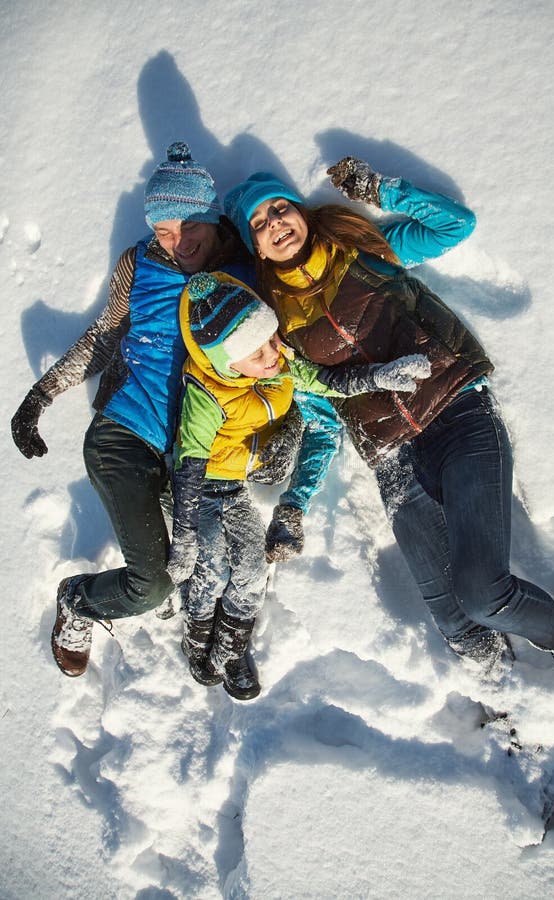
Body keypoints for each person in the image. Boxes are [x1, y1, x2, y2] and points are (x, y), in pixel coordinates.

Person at [223, 157, 554, 688]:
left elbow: (454, 225)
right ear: (256, 247)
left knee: (483, 592)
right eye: (259, 224)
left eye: (280, 208)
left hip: (456, 412)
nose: (274, 223)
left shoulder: (367, 253)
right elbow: (323, 419)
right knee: (454, 620)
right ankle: (504, 692)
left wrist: (381, 188)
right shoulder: (279, 322)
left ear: (302, 212)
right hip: (391, 455)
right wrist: (294, 502)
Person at [10, 142, 342, 679]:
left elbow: (277, 355)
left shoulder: (247, 271)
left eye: (188, 226)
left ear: (212, 217)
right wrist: (41, 395)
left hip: (196, 451)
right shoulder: (139, 263)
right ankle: (79, 602)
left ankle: (224, 643)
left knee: (220, 559)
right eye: (164, 230)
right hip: (125, 437)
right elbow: (103, 336)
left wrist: (284, 430)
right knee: (155, 584)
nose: (177, 242)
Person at [169, 270, 432, 700]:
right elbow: (190, 462)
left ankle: (232, 648)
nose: (274, 354)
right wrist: (184, 539)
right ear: (225, 362)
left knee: (253, 570)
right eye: (257, 353)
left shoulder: (277, 369)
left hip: (235, 489)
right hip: (201, 490)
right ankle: (198, 641)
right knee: (213, 570)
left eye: (272, 339)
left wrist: (377, 377)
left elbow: (324, 381)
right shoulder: (207, 391)